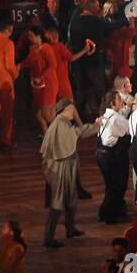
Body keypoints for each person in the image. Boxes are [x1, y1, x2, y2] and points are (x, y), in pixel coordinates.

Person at [41, 98, 102, 247]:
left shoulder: (63, 123)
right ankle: (48, 237)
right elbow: (78, 133)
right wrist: (96, 126)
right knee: (57, 203)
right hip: (60, 168)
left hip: (67, 166)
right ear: (65, 110)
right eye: (72, 110)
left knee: (71, 199)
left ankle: (70, 228)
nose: (73, 113)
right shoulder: (60, 124)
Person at [96, 87, 132, 224]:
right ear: (112, 103)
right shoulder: (116, 118)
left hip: (102, 155)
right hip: (112, 156)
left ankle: (114, 210)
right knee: (116, 185)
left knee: (112, 185)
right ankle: (108, 214)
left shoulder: (106, 114)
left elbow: (122, 114)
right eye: (119, 99)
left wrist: (128, 107)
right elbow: (130, 127)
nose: (122, 101)